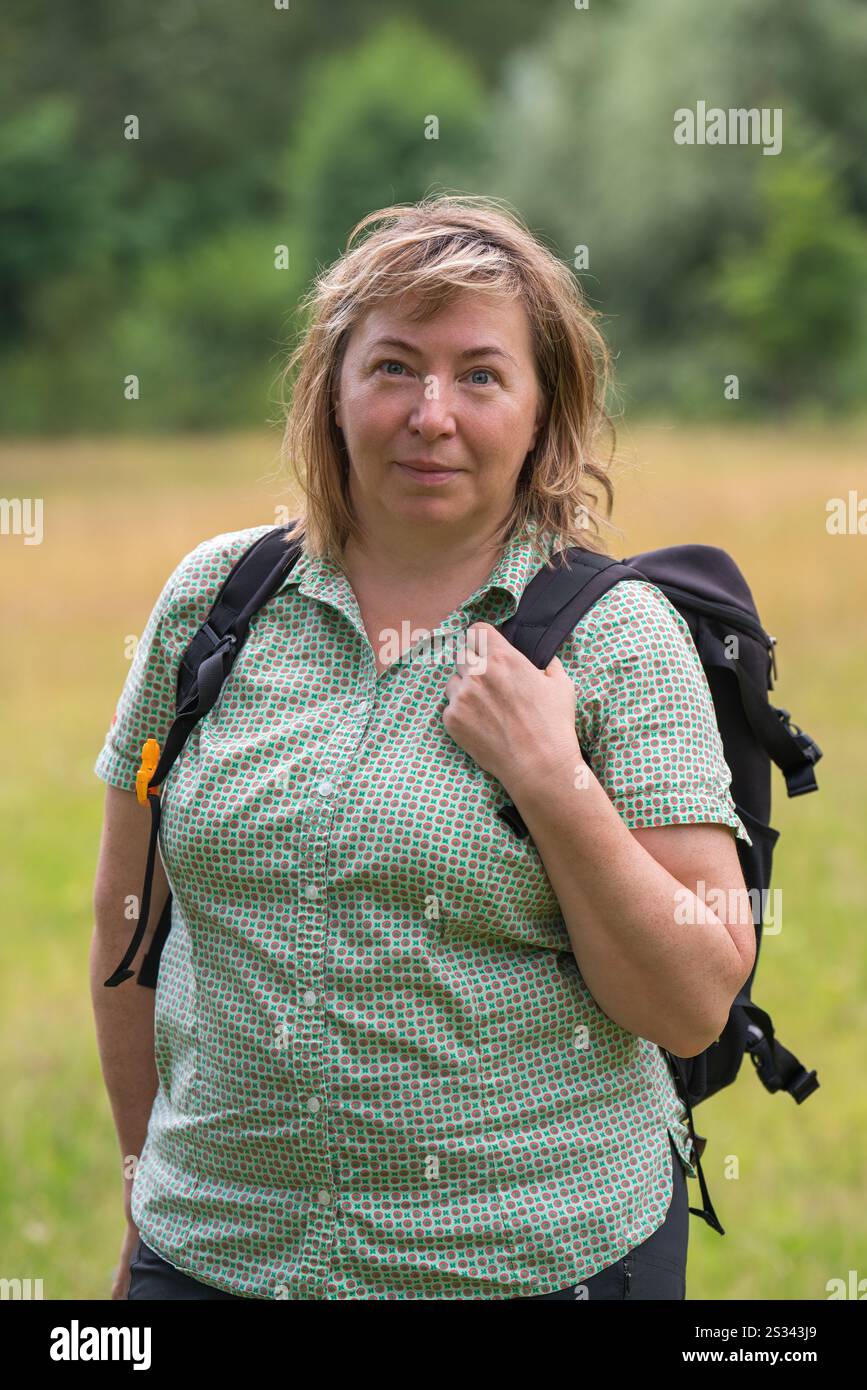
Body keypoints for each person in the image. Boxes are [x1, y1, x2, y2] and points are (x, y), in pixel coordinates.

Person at [90, 193, 755, 1301]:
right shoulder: (217, 600)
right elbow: (130, 934)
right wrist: (144, 1192)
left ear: (543, 410)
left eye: (481, 374)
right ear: (332, 391)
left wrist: (552, 779)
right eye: (393, 366)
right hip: (216, 1254)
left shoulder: (617, 637)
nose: (431, 413)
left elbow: (694, 1001)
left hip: (532, 1263)